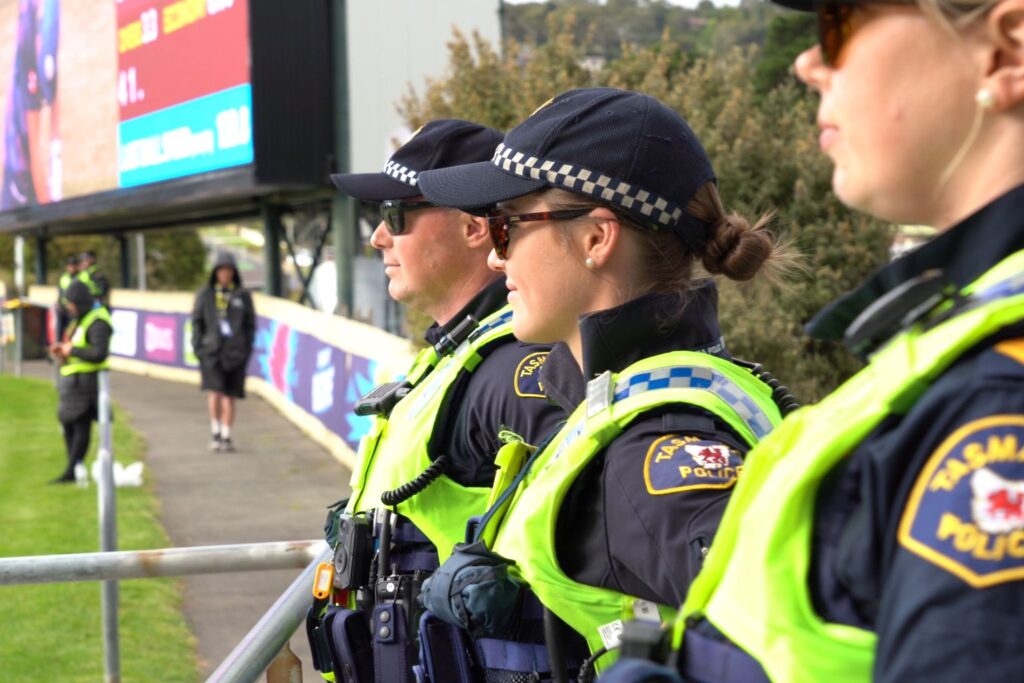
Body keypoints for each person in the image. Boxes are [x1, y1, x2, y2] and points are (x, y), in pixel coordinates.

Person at [599, 0, 1024, 681]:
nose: (807, 63)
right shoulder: (967, 338)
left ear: (1006, 52)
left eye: (840, 23)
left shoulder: (999, 397)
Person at [413, 87, 796, 680]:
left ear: (597, 238)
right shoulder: (622, 397)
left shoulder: (650, 449)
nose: (494, 258)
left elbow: (791, 637)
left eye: (507, 227)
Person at [305, 119, 565, 682]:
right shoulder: (453, 355)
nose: (378, 237)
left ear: (474, 228)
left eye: (396, 215)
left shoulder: (517, 367)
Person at [190, 252, 255, 453]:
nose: (225, 274)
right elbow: (197, 322)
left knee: (229, 395)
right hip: (211, 352)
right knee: (215, 392)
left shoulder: (242, 296)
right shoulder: (206, 294)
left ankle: (226, 435)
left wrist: (244, 349)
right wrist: (199, 347)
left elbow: (250, 326)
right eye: (221, 270)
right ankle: (215, 432)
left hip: (235, 355)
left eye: (228, 270)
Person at [49, 280, 112, 484]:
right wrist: (63, 351)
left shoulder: (98, 322)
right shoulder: (79, 320)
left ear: (80, 302)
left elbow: (99, 353)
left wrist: (71, 350)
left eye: (71, 303)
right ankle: (74, 469)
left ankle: (72, 470)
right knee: (68, 423)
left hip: (86, 384)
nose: (69, 308)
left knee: (80, 425)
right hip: (72, 382)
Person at [1, 0, 61, 209]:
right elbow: (33, 139)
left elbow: (54, 89)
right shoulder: (29, 38)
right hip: (19, 177)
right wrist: (49, 204)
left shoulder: (51, 12)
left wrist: (56, 151)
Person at [56, 254, 78, 342]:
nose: (71, 268)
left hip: (73, 309)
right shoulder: (64, 277)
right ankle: (59, 345)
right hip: (62, 308)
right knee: (59, 329)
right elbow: (60, 292)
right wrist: (58, 303)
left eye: (73, 266)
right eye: (69, 266)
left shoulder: (79, 278)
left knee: (71, 331)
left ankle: (69, 346)